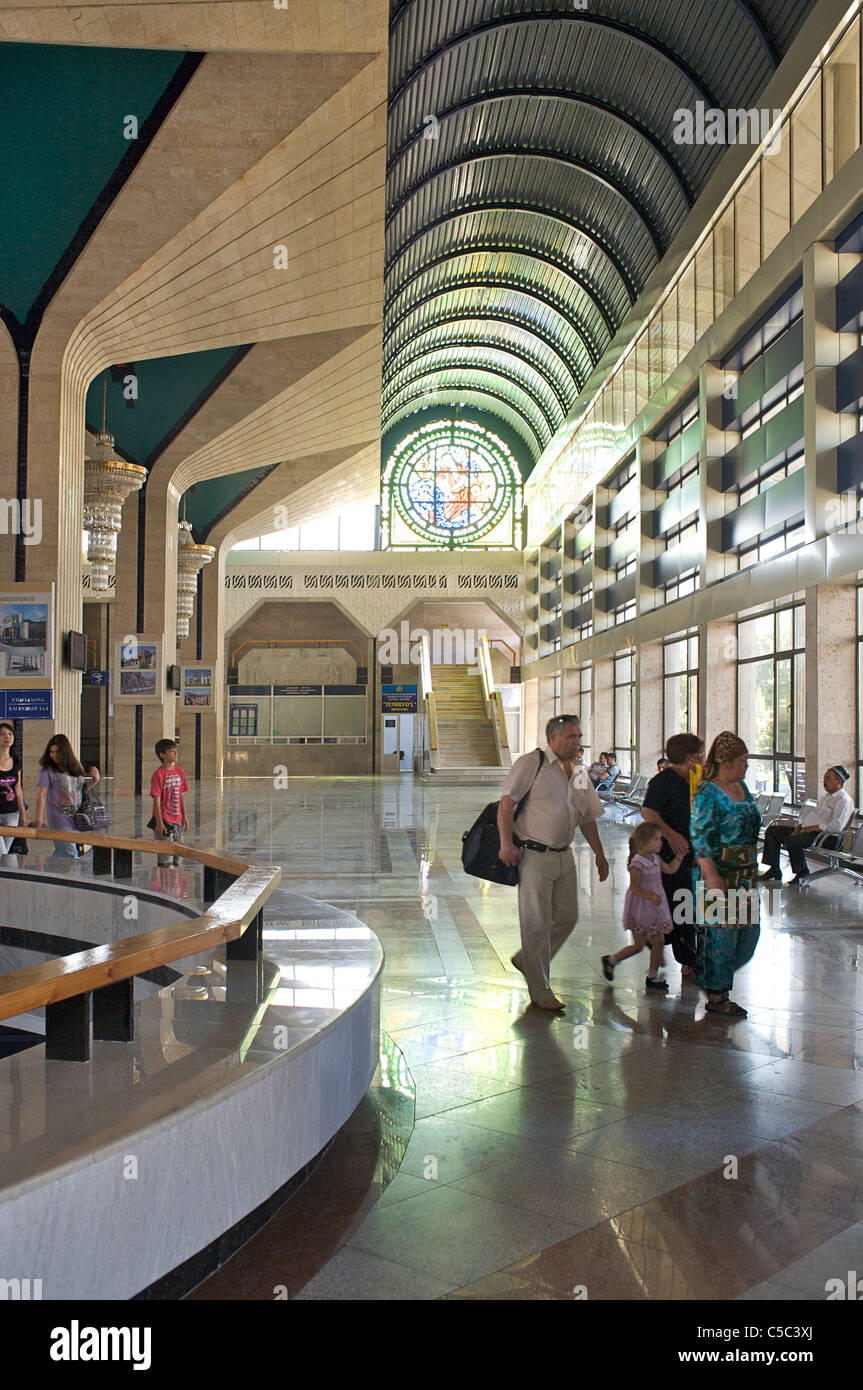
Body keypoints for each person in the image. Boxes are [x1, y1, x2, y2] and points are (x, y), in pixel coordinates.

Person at [497, 715, 609, 1011]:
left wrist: (599, 853)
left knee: (567, 917)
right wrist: (506, 843)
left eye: (579, 736)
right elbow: (507, 803)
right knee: (536, 923)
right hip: (533, 855)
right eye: (572, 736)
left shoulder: (580, 771)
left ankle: (527, 960)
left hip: (564, 854)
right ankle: (541, 989)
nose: (577, 742)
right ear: (553, 738)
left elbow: (586, 815)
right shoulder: (531, 764)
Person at [689, 731, 762, 1018]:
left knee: (747, 936)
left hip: (745, 876)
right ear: (727, 761)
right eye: (743, 760)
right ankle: (718, 995)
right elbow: (699, 835)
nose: (747, 765)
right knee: (719, 937)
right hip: (717, 874)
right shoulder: (708, 792)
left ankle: (708, 973)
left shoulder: (742, 787)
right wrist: (711, 874)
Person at [641, 733, 705, 975]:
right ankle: (667, 947)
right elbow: (648, 812)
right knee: (674, 903)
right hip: (669, 853)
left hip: (692, 853)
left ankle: (687, 956)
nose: (703, 757)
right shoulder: (664, 781)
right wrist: (670, 834)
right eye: (699, 753)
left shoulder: (698, 780)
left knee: (686, 904)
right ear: (689, 757)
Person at [601, 822, 683, 991]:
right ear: (643, 842)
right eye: (656, 839)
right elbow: (634, 887)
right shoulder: (637, 863)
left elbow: (670, 869)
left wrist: (680, 857)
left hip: (655, 908)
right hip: (641, 908)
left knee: (659, 940)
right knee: (638, 945)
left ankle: (652, 976)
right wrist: (650, 896)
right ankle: (612, 960)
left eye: (660, 839)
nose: (660, 842)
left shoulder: (656, 859)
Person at [759, 765, 854, 885]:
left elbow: (836, 826)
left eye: (828, 778)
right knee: (773, 831)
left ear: (838, 781)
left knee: (793, 840)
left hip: (827, 837)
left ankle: (802, 872)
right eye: (824, 778)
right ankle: (774, 869)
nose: (824, 781)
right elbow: (813, 816)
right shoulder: (827, 797)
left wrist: (810, 828)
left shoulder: (843, 800)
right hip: (809, 831)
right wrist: (799, 827)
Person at [33, 734, 99, 858]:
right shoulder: (47, 770)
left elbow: (80, 790)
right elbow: (41, 793)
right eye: (51, 752)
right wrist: (38, 819)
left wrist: (94, 781)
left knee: (62, 851)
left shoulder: (76, 765)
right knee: (70, 853)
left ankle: (51, 873)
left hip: (77, 817)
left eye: (58, 752)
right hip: (59, 818)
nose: (54, 755)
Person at [150, 739, 189, 866]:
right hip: (164, 820)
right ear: (162, 755)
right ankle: (164, 882)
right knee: (165, 857)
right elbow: (156, 799)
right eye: (171, 751)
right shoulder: (158, 774)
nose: (175, 753)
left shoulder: (180, 772)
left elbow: (181, 794)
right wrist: (159, 823)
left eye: (175, 751)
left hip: (177, 819)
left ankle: (176, 882)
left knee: (179, 854)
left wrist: (185, 817)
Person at [0, 722, 28, 853]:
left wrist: (22, 814)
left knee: (5, 851)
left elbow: (18, 789)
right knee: (2, 851)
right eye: (3, 734)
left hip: (12, 812)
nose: (8, 737)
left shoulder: (16, 760)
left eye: (10, 734)